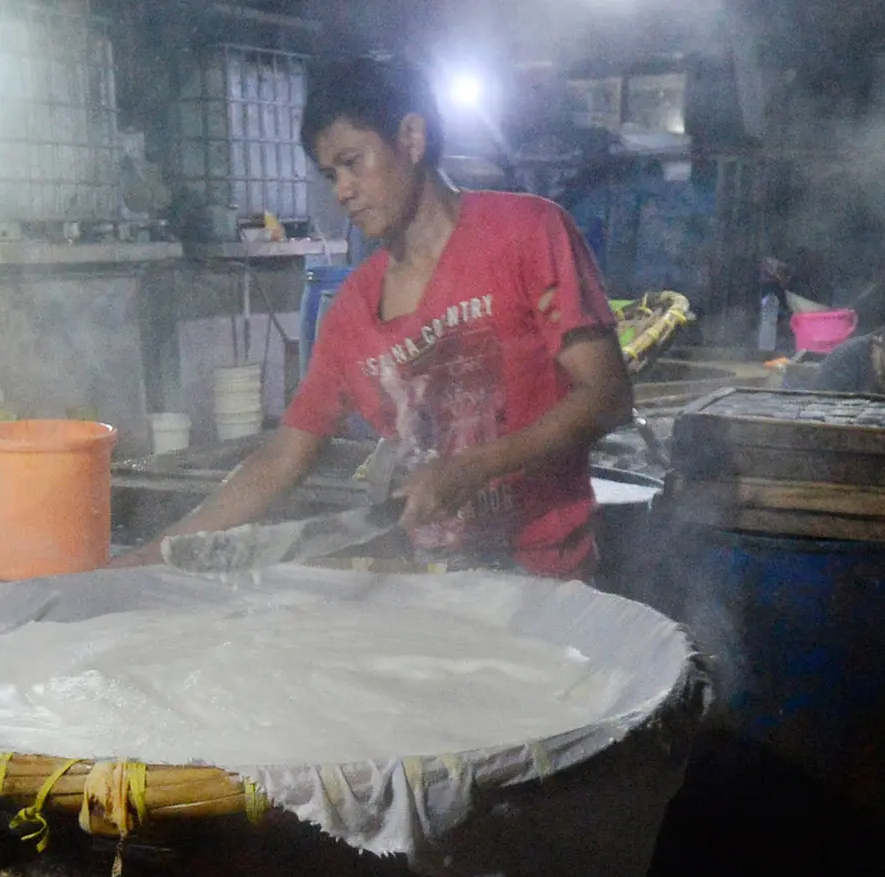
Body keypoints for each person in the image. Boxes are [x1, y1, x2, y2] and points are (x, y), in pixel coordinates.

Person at [130, 57, 631, 578]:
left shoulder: (527, 233)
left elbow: (607, 395)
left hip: (545, 583)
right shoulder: (353, 310)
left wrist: (474, 467)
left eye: (353, 162)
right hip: (432, 589)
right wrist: (152, 558)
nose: (341, 190)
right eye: (330, 175)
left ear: (411, 138)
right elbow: (283, 457)